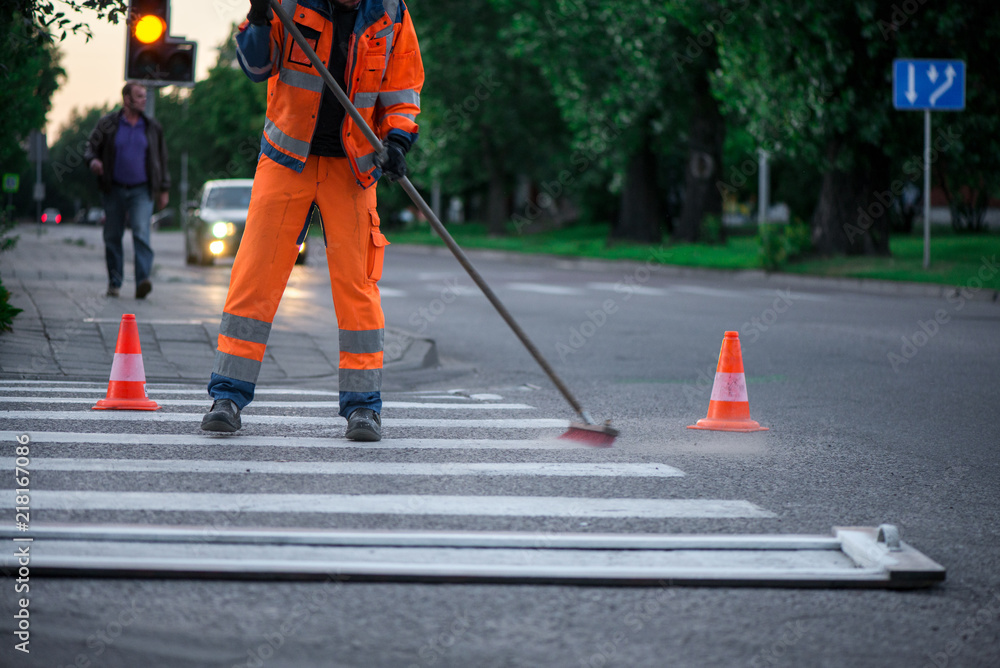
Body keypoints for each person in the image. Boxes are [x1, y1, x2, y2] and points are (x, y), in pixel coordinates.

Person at [200, 0, 423, 442]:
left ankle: (363, 409)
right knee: (254, 277)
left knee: (358, 286)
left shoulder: (390, 14)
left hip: (353, 166)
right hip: (287, 161)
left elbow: (403, 90)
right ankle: (227, 397)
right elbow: (255, 65)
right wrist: (261, 18)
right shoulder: (285, 4)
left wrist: (397, 141)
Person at [85, 83, 170, 299]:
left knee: (141, 232)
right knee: (113, 235)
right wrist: (93, 161)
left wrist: (163, 189)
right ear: (127, 99)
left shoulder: (152, 127)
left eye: (144, 96)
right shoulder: (108, 124)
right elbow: (90, 148)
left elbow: (161, 159)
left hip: (142, 190)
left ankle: (142, 281)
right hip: (113, 189)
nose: (144, 100)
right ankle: (115, 282)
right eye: (139, 96)